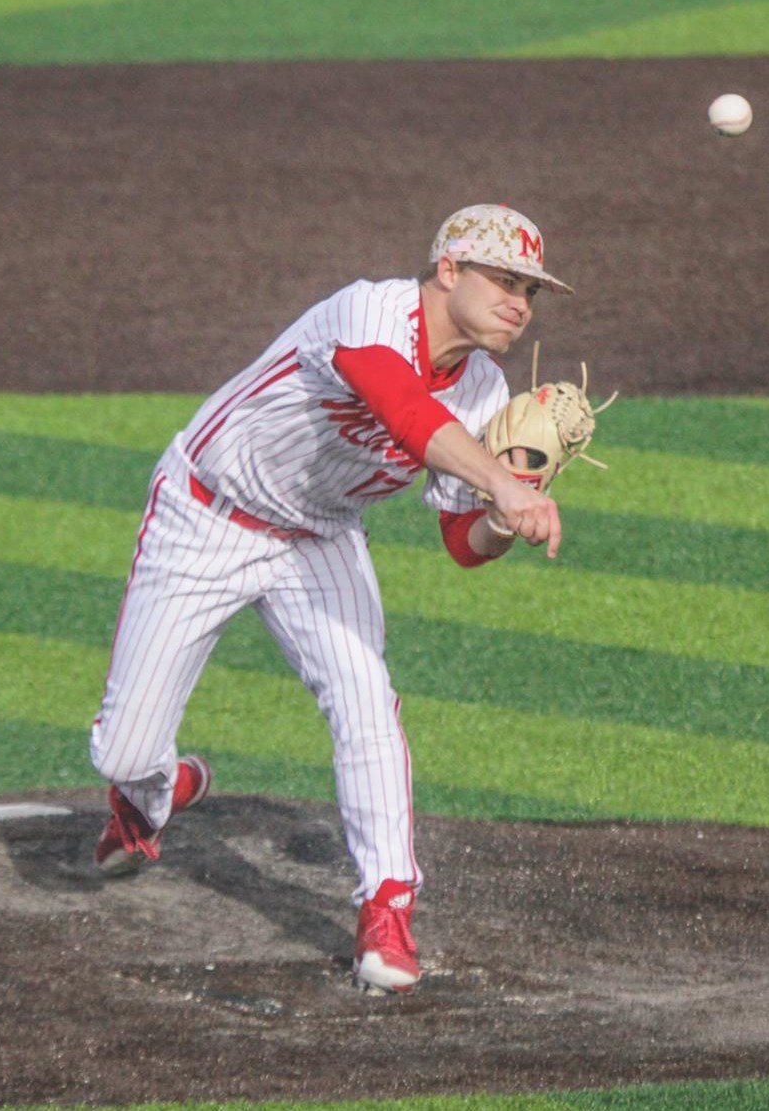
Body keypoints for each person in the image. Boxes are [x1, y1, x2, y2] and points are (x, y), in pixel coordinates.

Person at [87, 203, 574, 994]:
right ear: (448, 269)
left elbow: (461, 544)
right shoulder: (368, 310)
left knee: (365, 703)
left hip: (320, 536)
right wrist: (500, 479)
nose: (520, 302)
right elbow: (404, 410)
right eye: (505, 280)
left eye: (532, 290)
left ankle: (388, 907)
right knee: (123, 750)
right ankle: (155, 792)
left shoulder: (484, 390)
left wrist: (499, 515)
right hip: (207, 510)